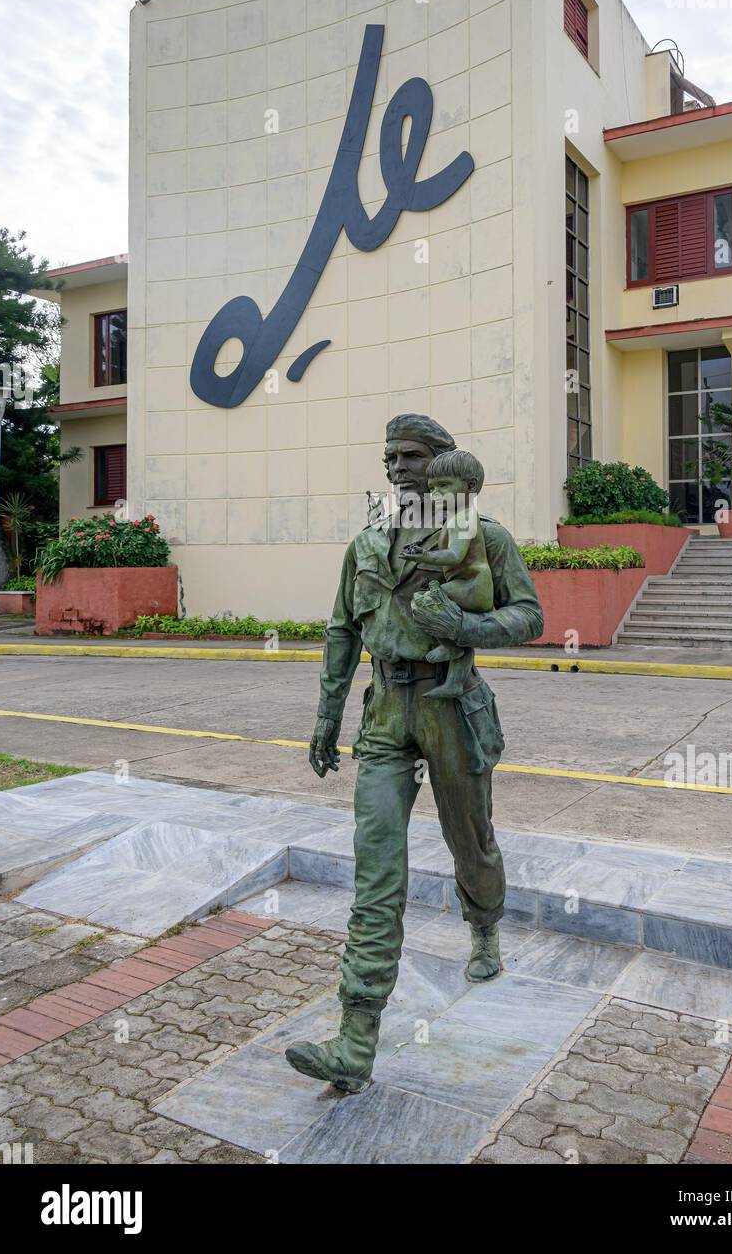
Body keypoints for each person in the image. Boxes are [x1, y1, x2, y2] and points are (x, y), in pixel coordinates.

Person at [284, 413, 543, 1094]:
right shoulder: (366, 544)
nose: (398, 468)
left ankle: (484, 925)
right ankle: (355, 1039)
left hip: (452, 709)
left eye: (412, 456)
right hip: (386, 713)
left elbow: (529, 615)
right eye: (390, 457)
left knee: (472, 841)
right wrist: (325, 718)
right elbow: (342, 631)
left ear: (441, 463)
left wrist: (466, 625)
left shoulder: (483, 537)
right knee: (377, 875)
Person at [399, 448, 493, 700]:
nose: (435, 494)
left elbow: (454, 556)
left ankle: (449, 646)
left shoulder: (464, 518)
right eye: (432, 488)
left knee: (427, 602)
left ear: (470, 486)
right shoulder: (455, 518)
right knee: (459, 631)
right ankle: (454, 681)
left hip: (472, 584)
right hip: (468, 582)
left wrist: (423, 556)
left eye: (443, 486)